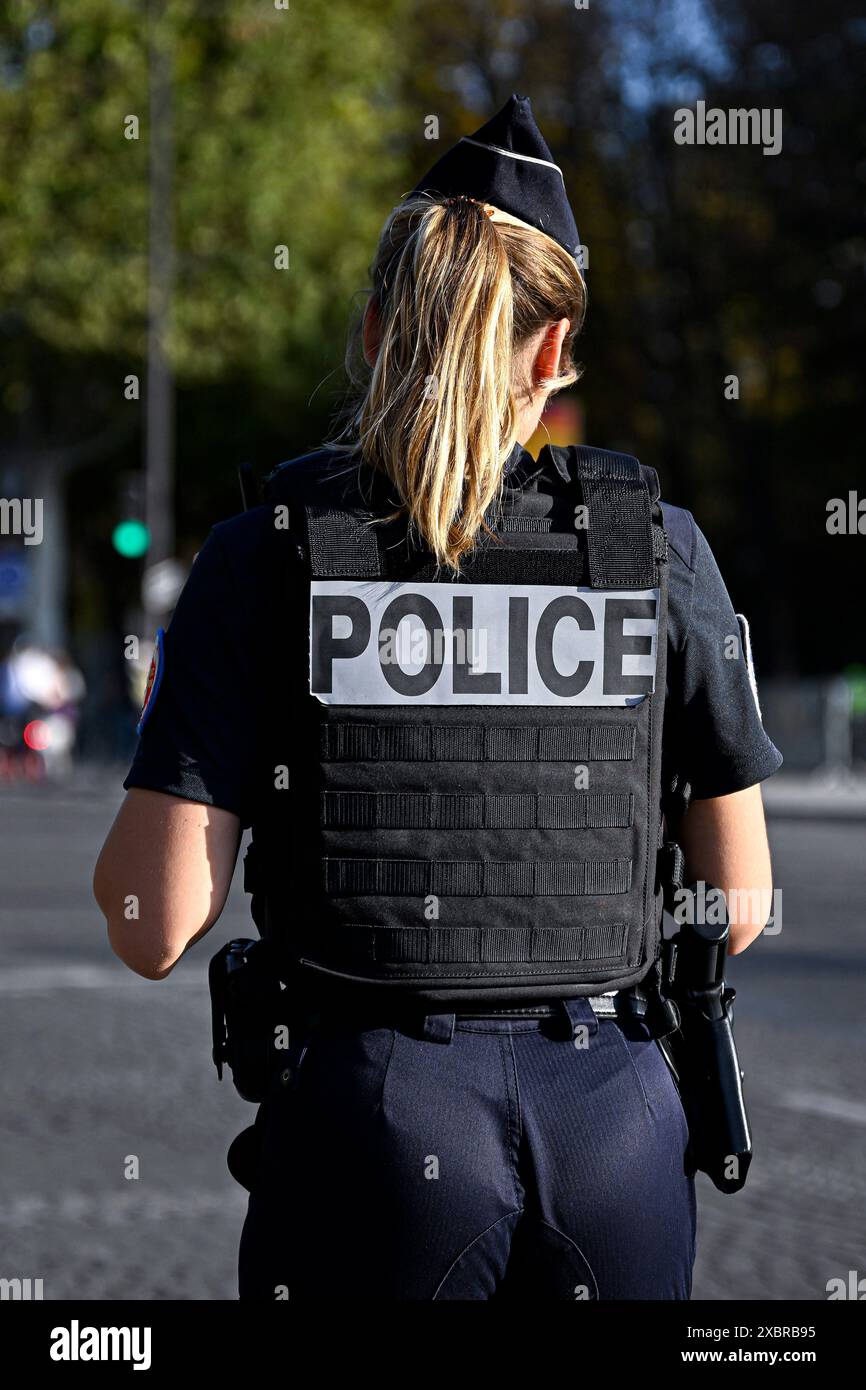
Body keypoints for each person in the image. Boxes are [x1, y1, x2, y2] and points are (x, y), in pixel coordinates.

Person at [93, 94, 782, 1301]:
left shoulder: (264, 555)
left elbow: (152, 923)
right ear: (553, 352)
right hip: (615, 1131)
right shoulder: (655, 546)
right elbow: (736, 906)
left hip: (371, 1125)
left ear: (371, 333)